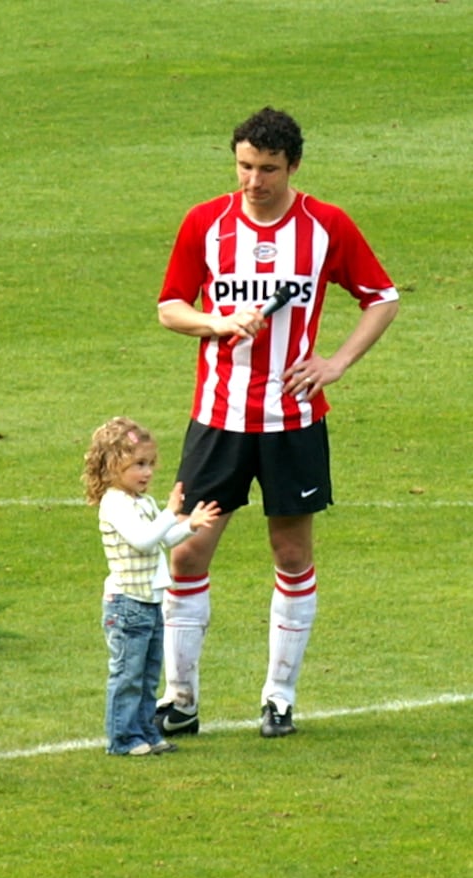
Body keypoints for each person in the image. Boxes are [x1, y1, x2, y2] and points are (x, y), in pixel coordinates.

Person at [155, 107, 399, 738]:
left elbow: (382, 298)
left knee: (290, 552)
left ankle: (279, 697)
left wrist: (337, 362)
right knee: (186, 553)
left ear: (292, 166)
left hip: (294, 420)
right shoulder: (205, 223)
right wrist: (217, 322)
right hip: (218, 418)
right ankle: (180, 697)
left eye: (266, 169)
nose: (253, 181)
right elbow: (170, 308)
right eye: (243, 166)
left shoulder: (327, 226)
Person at [83, 417, 219, 756]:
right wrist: (171, 513)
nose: (146, 473)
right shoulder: (115, 503)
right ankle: (122, 739)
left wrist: (189, 526)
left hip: (148, 601)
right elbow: (143, 540)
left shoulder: (142, 501)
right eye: (137, 465)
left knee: (146, 676)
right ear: (112, 467)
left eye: (149, 464)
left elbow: (161, 539)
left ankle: (144, 732)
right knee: (127, 675)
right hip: (127, 603)